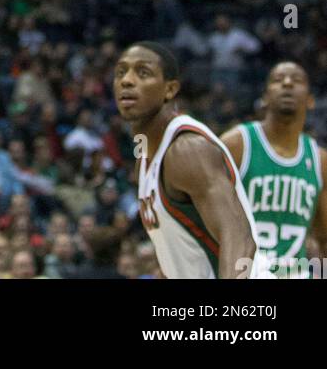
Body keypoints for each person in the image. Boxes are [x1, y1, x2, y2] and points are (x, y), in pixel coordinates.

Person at [114, 41, 266, 279]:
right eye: (121, 72)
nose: (127, 80)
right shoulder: (144, 159)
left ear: (170, 89)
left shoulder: (187, 149)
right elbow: (181, 254)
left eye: (143, 72)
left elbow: (239, 238)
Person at [220, 61, 327, 278]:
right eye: (278, 80)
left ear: (311, 100)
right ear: (265, 98)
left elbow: (323, 238)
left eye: (296, 80)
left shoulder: (320, 160)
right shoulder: (237, 144)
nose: (287, 83)